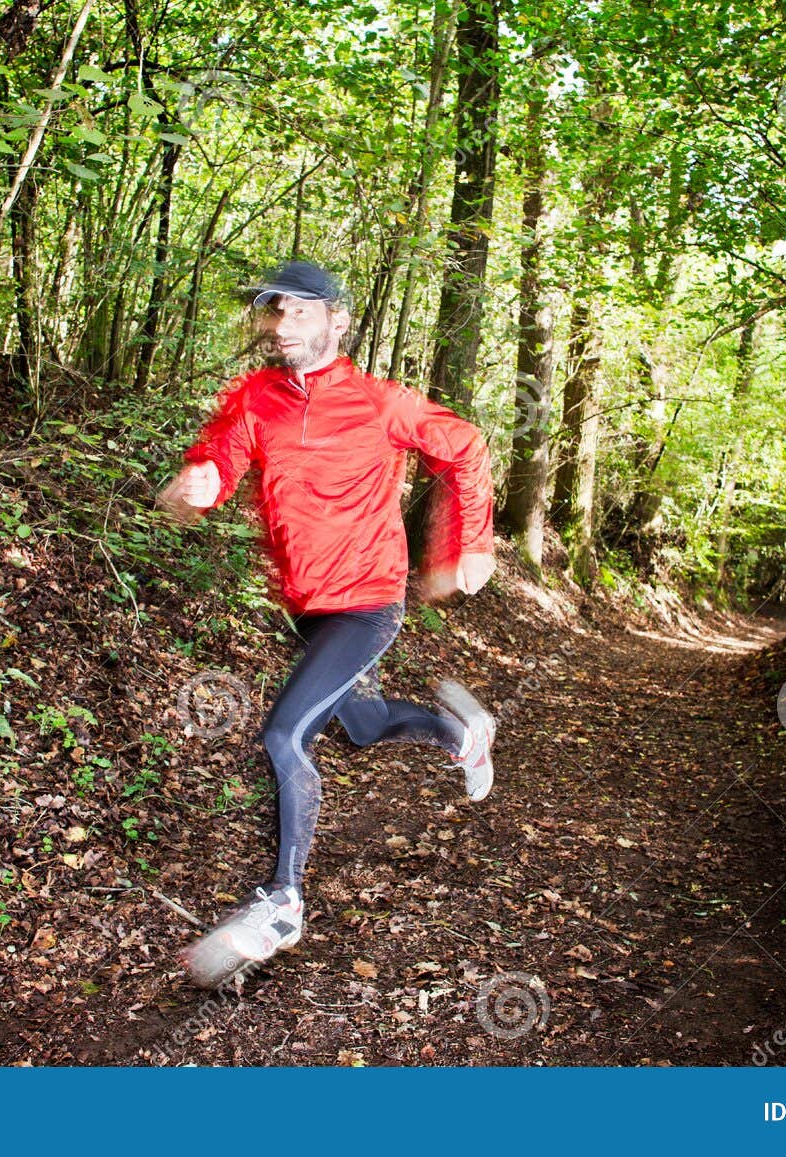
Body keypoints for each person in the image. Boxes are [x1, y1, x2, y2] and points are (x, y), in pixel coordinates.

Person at [158, 259, 499, 987]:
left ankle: (283, 900)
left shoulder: (378, 403)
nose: (283, 327)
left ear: (338, 321)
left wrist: (469, 541)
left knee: (285, 733)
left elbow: (467, 447)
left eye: (301, 313)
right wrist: (205, 478)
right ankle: (462, 734)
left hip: (370, 598)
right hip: (305, 603)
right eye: (275, 313)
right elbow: (221, 449)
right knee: (363, 724)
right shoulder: (256, 397)